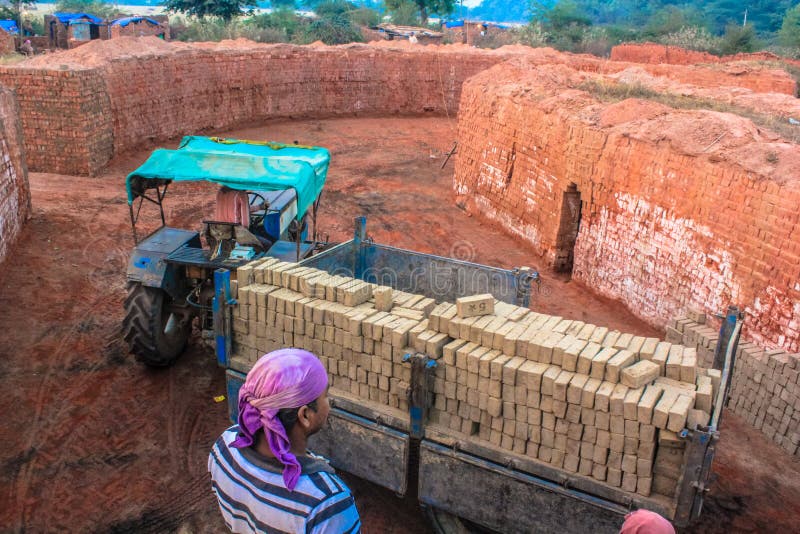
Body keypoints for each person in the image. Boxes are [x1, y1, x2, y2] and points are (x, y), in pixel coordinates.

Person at [209, 349, 360, 533]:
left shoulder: (224, 447)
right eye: (326, 396)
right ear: (305, 415)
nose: (329, 404)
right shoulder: (326, 502)